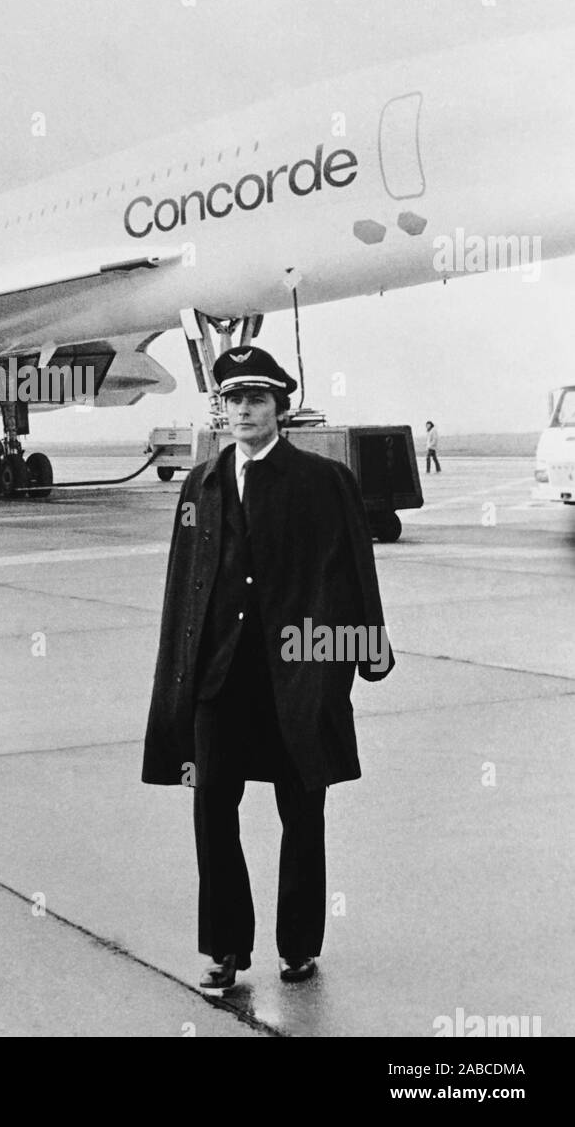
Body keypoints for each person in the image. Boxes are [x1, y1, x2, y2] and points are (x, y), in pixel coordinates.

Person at [142, 345, 395, 996]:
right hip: (219, 681)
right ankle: (225, 949)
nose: (243, 410)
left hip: (297, 676)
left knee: (301, 812)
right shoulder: (199, 485)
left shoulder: (322, 480)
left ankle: (297, 946)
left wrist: (367, 646)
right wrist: (177, 677)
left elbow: (352, 574)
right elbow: (184, 591)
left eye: (256, 398)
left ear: (279, 407)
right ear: (220, 410)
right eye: (232, 399)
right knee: (210, 811)